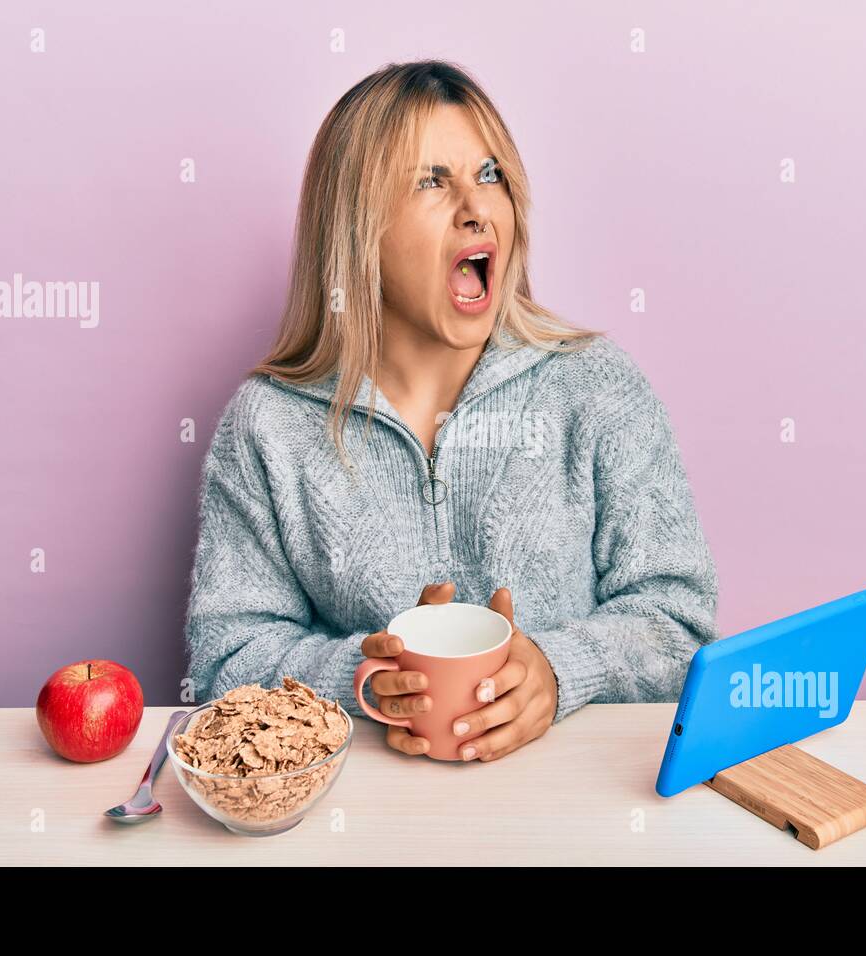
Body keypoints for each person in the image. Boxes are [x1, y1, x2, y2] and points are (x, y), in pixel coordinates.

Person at [184, 59, 719, 763]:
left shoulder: (596, 388)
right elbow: (224, 658)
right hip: (361, 822)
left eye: (490, 174)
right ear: (356, 231)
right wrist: (364, 679)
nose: (476, 206)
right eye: (432, 181)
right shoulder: (267, 425)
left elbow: (681, 621)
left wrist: (559, 672)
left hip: (577, 812)